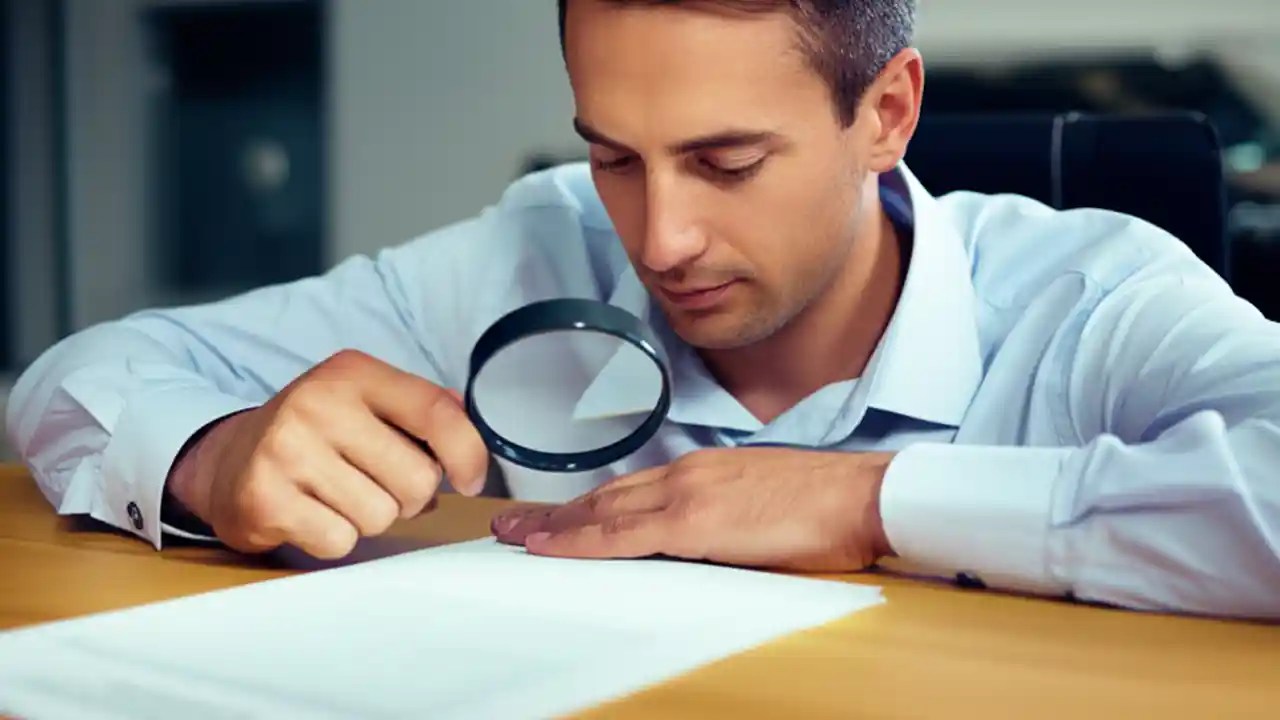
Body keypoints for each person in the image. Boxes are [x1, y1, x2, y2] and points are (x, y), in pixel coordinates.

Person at [6, 0, 1280, 620]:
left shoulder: (1094, 294)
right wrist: (211, 457)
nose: (657, 238)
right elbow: (80, 371)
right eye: (616, 155)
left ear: (884, 114)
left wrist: (857, 500)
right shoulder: (533, 246)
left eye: (726, 163)